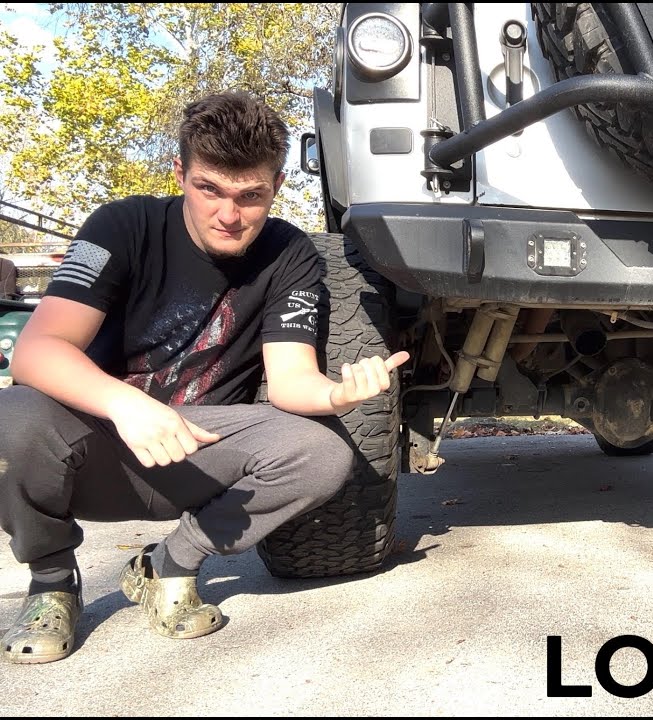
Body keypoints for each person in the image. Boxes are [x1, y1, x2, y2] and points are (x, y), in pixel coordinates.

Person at [0, 91, 408, 664]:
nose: (229, 215)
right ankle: (51, 582)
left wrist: (338, 394)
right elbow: (37, 350)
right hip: (102, 442)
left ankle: (169, 564)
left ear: (276, 186)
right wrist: (126, 404)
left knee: (322, 453)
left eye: (250, 196)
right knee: (12, 417)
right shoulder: (121, 226)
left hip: (202, 452)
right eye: (209, 189)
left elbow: (291, 380)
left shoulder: (290, 253)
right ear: (180, 174)